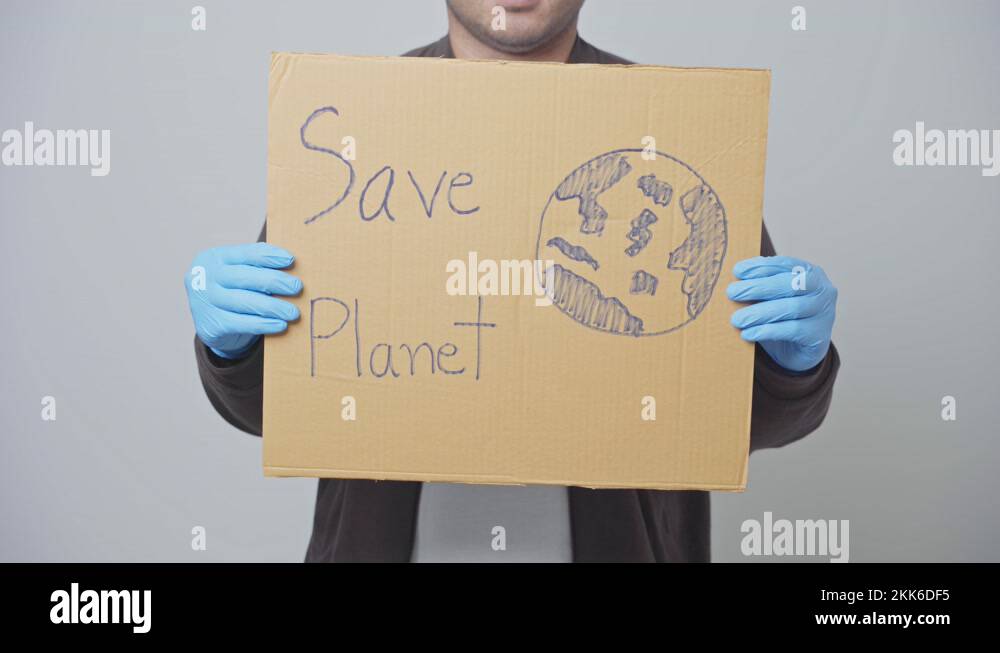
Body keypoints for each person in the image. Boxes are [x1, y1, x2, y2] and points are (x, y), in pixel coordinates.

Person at [184, 0, 840, 562]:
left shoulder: (673, 128)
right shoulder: (354, 123)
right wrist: (231, 352)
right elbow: (277, 407)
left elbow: (736, 418)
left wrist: (793, 370)